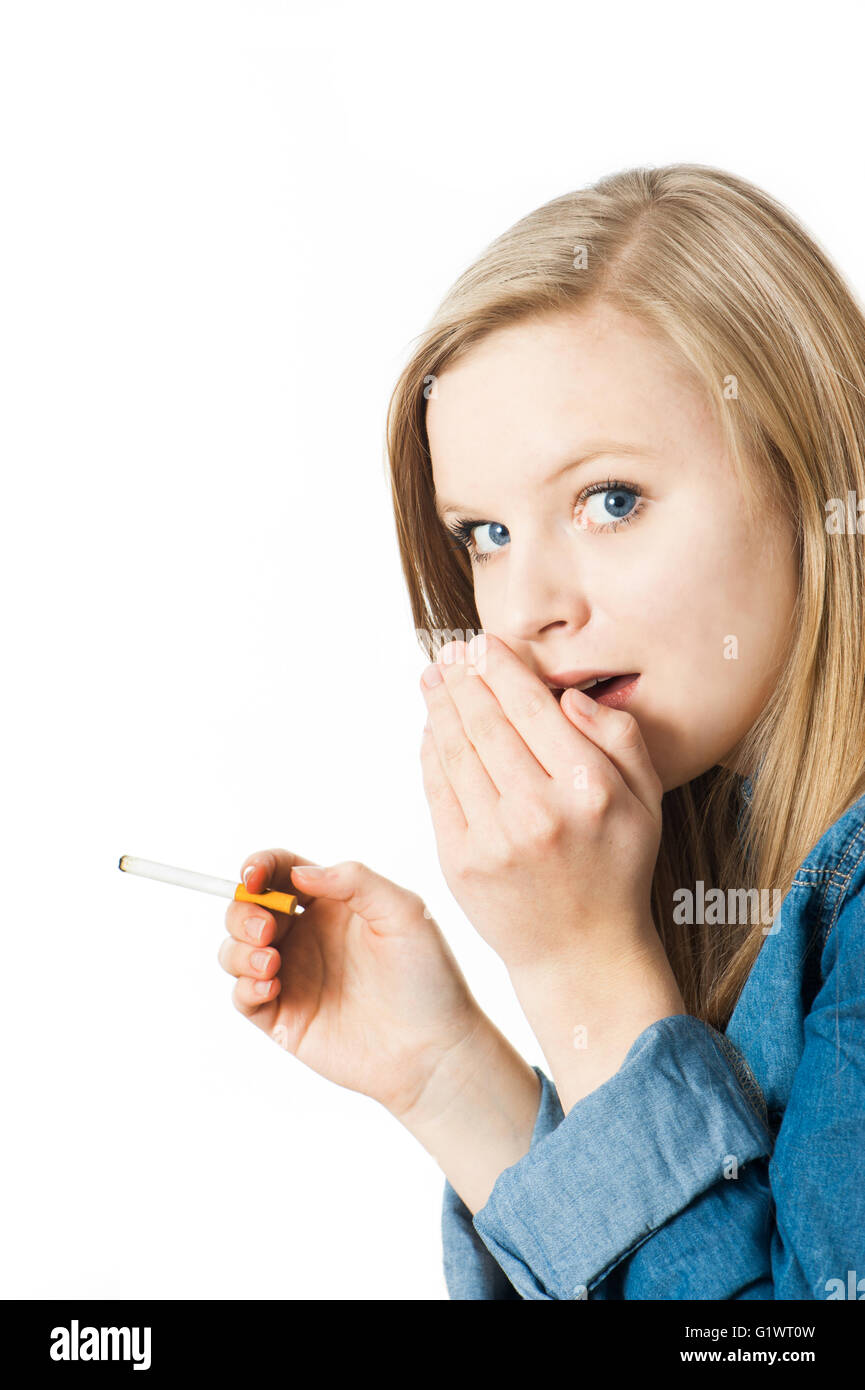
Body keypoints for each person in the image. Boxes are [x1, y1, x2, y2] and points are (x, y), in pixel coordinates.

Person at [218, 164, 865, 1299]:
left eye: (609, 500)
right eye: (485, 531)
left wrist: (574, 961)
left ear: (812, 482)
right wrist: (446, 1075)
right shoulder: (730, 863)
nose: (521, 610)